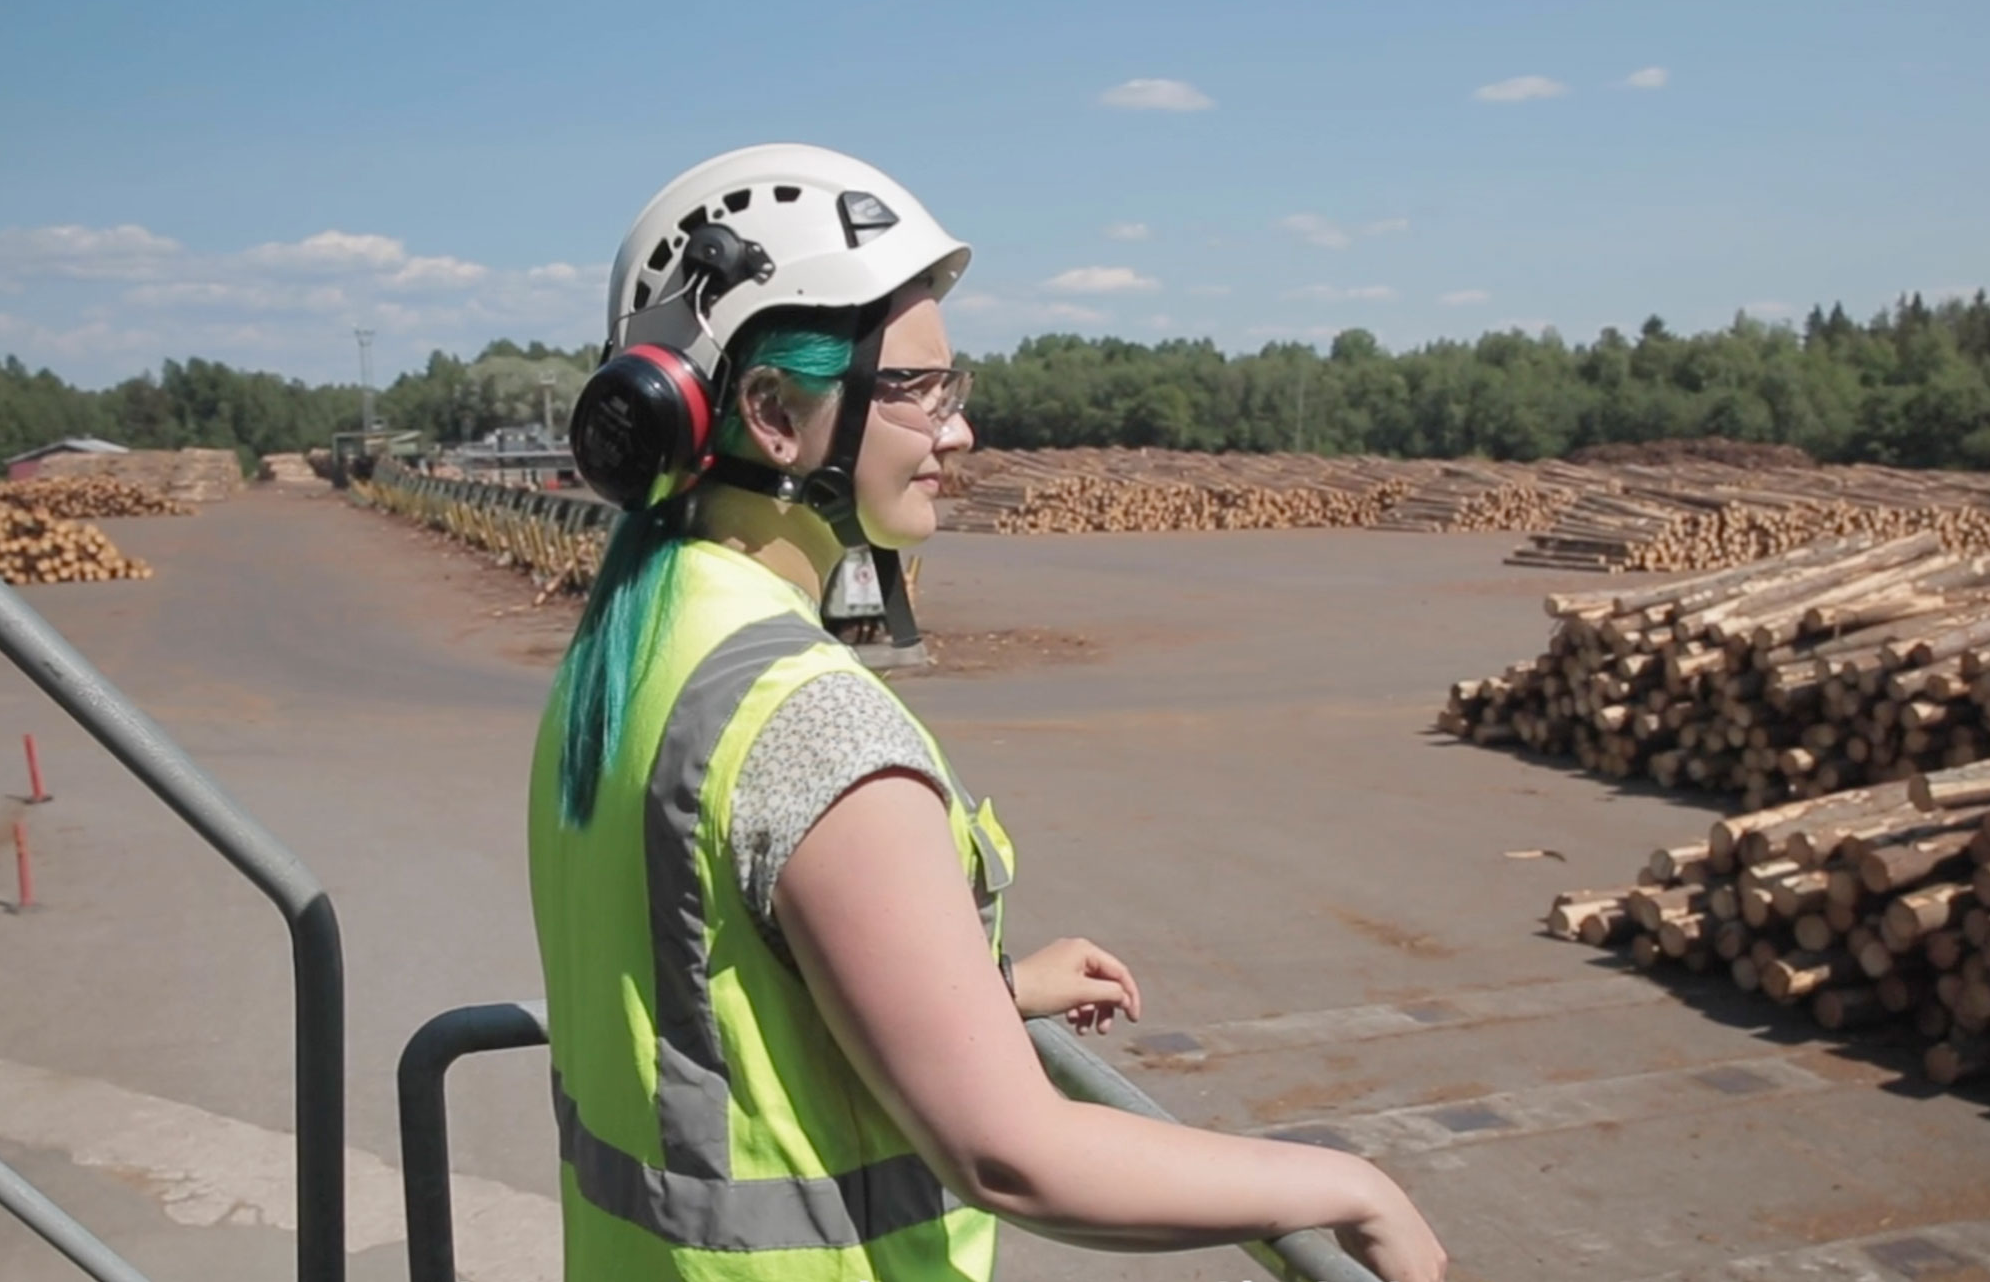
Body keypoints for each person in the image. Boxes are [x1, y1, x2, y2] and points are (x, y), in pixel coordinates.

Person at [528, 144, 1448, 1282]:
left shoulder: (629, 653)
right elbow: (1014, 1155)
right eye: (918, 389)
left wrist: (976, 989)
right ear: (773, 413)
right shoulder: (807, 721)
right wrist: (1355, 1186)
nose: (956, 431)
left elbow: (710, 984)